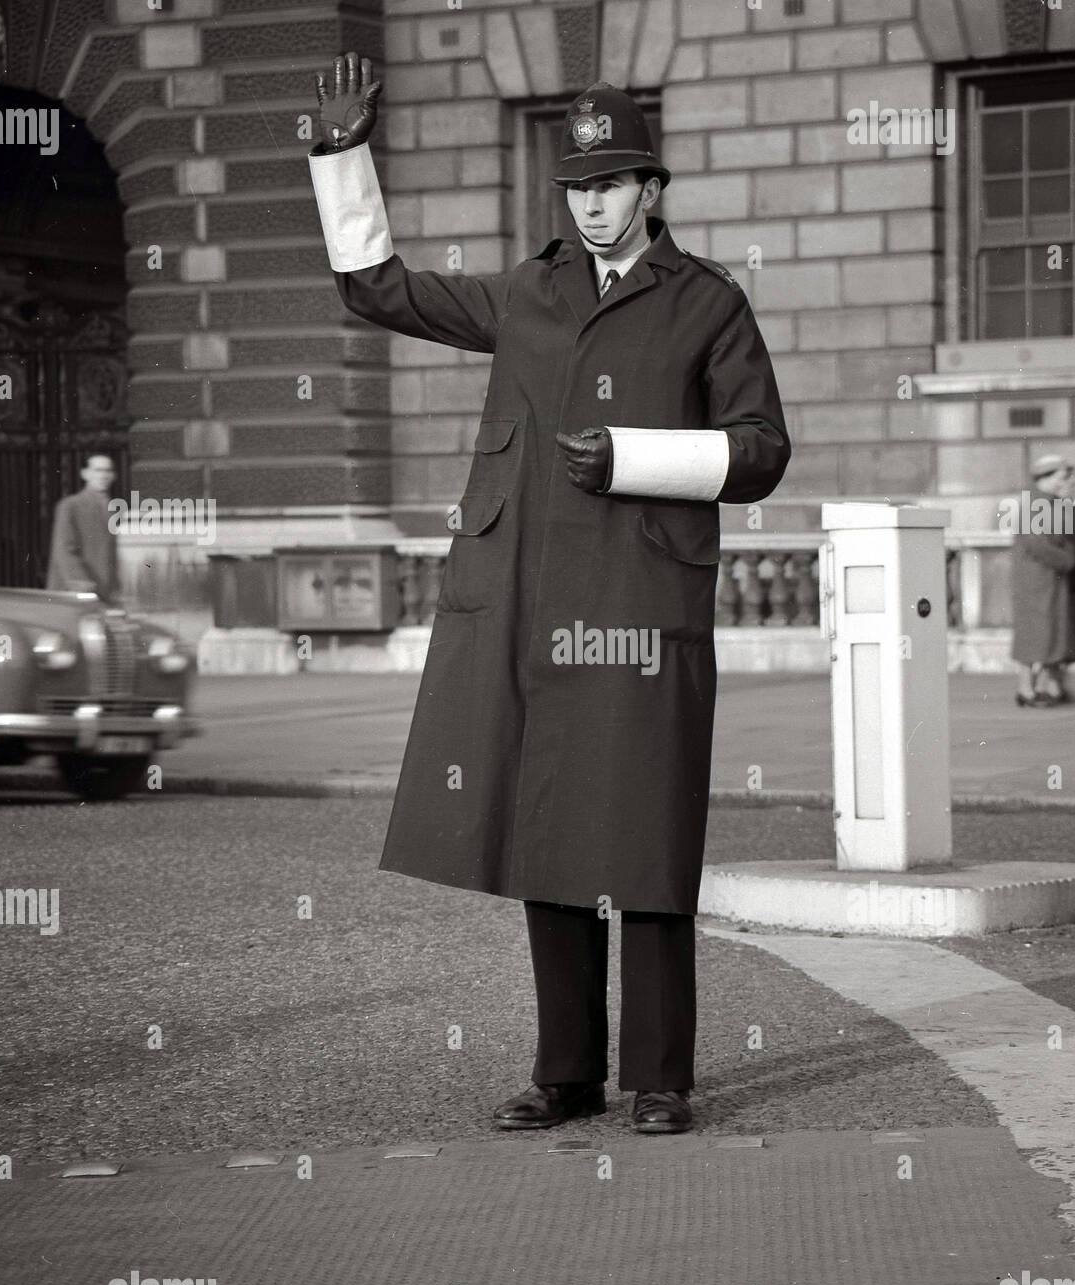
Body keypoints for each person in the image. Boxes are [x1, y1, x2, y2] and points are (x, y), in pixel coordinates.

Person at [308, 56, 790, 1133]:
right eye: (577, 188)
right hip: (530, 601)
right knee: (549, 834)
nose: (593, 203)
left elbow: (762, 452)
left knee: (651, 841)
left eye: (612, 184)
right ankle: (567, 1072)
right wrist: (342, 158)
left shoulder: (710, 302)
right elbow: (376, 289)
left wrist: (631, 456)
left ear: (651, 190)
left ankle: (660, 1079)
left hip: (645, 606)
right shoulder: (524, 292)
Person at [1009, 452, 1075, 707]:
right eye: (1061, 476)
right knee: (1036, 635)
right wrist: (1069, 560)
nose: (1066, 481)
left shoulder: (1054, 502)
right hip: (1039, 579)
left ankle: (1049, 686)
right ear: (1046, 477)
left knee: (1054, 634)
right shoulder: (1036, 503)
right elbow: (1037, 544)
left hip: (1054, 579)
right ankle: (1026, 689)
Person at [46, 453, 119, 602]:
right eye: (98, 470)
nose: (103, 475)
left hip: (107, 592)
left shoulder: (117, 509)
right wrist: (81, 583)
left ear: (113, 476)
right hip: (76, 592)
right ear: (85, 474)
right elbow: (64, 549)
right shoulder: (70, 505)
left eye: (108, 471)